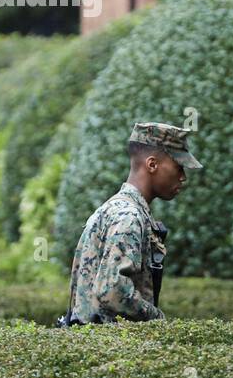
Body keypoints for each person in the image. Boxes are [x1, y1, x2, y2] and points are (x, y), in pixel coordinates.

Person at [57, 122, 201, 327]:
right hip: (109, 344)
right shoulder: (128, 217)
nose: (183, 177)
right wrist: (159, 320)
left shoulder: (116, 208)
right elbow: (113, 292)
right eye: (178, 167)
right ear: (152, 165)